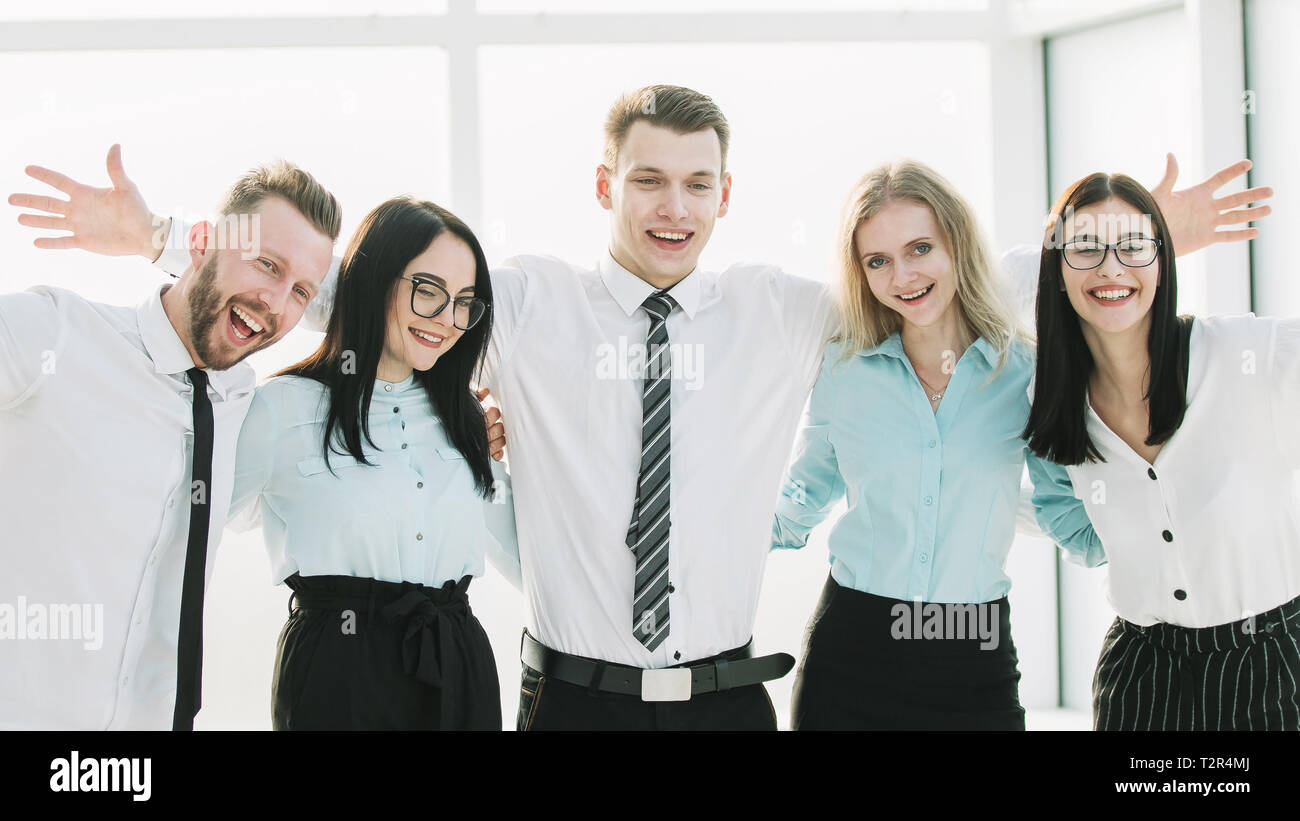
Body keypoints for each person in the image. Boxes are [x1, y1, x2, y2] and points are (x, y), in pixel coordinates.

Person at [15, 89, 1266, 730]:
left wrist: (1125, 249)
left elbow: (938, 280)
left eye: (699, 183)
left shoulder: (785, 311)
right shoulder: (537, 305)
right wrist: (171, 236)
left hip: (729, 705)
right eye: (649, 179)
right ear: (607, 182)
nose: (673, 204)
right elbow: (388, 284)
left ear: (730, 196)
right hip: (571, 703)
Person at [0, 148, 341, 729]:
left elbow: (373, 309)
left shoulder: (250, 412)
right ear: (204, 243)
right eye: (265, 264)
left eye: (300, 291)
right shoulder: (55, 334)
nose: (277, 304)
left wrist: (160, 236)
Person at [223, 196, 518, 730]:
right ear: (376, 279)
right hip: (340, 672)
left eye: (464, 302)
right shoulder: (281, 408)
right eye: (428, 292)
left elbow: (521, 557)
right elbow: (192, 533)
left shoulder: (470, 418)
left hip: (458, 666)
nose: (447, 321)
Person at [1024, 172, 1299, 731]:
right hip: (1143, 673)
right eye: (1085, 247)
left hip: (1272, 660)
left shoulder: (1251, 355)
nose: (1110, 267)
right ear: (1054, 270)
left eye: (1132, 245)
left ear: (1162, 259)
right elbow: (1069, 520)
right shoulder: (1049, 399)